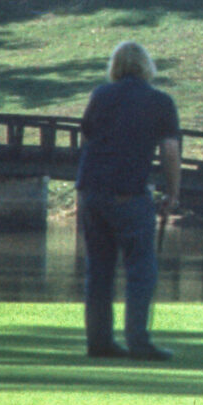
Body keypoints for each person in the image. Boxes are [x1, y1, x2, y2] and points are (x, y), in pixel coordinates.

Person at [76, 40, 181, 360]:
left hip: (92, 192)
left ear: (115, 67)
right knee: (140, 269)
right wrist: (172, 192)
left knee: (100, 270)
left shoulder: (100, 95)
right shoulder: (160, 101)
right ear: (147, 67)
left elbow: (87, 137)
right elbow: (170, 151)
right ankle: (138, 341)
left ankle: (99, 342)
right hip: (128, 194)